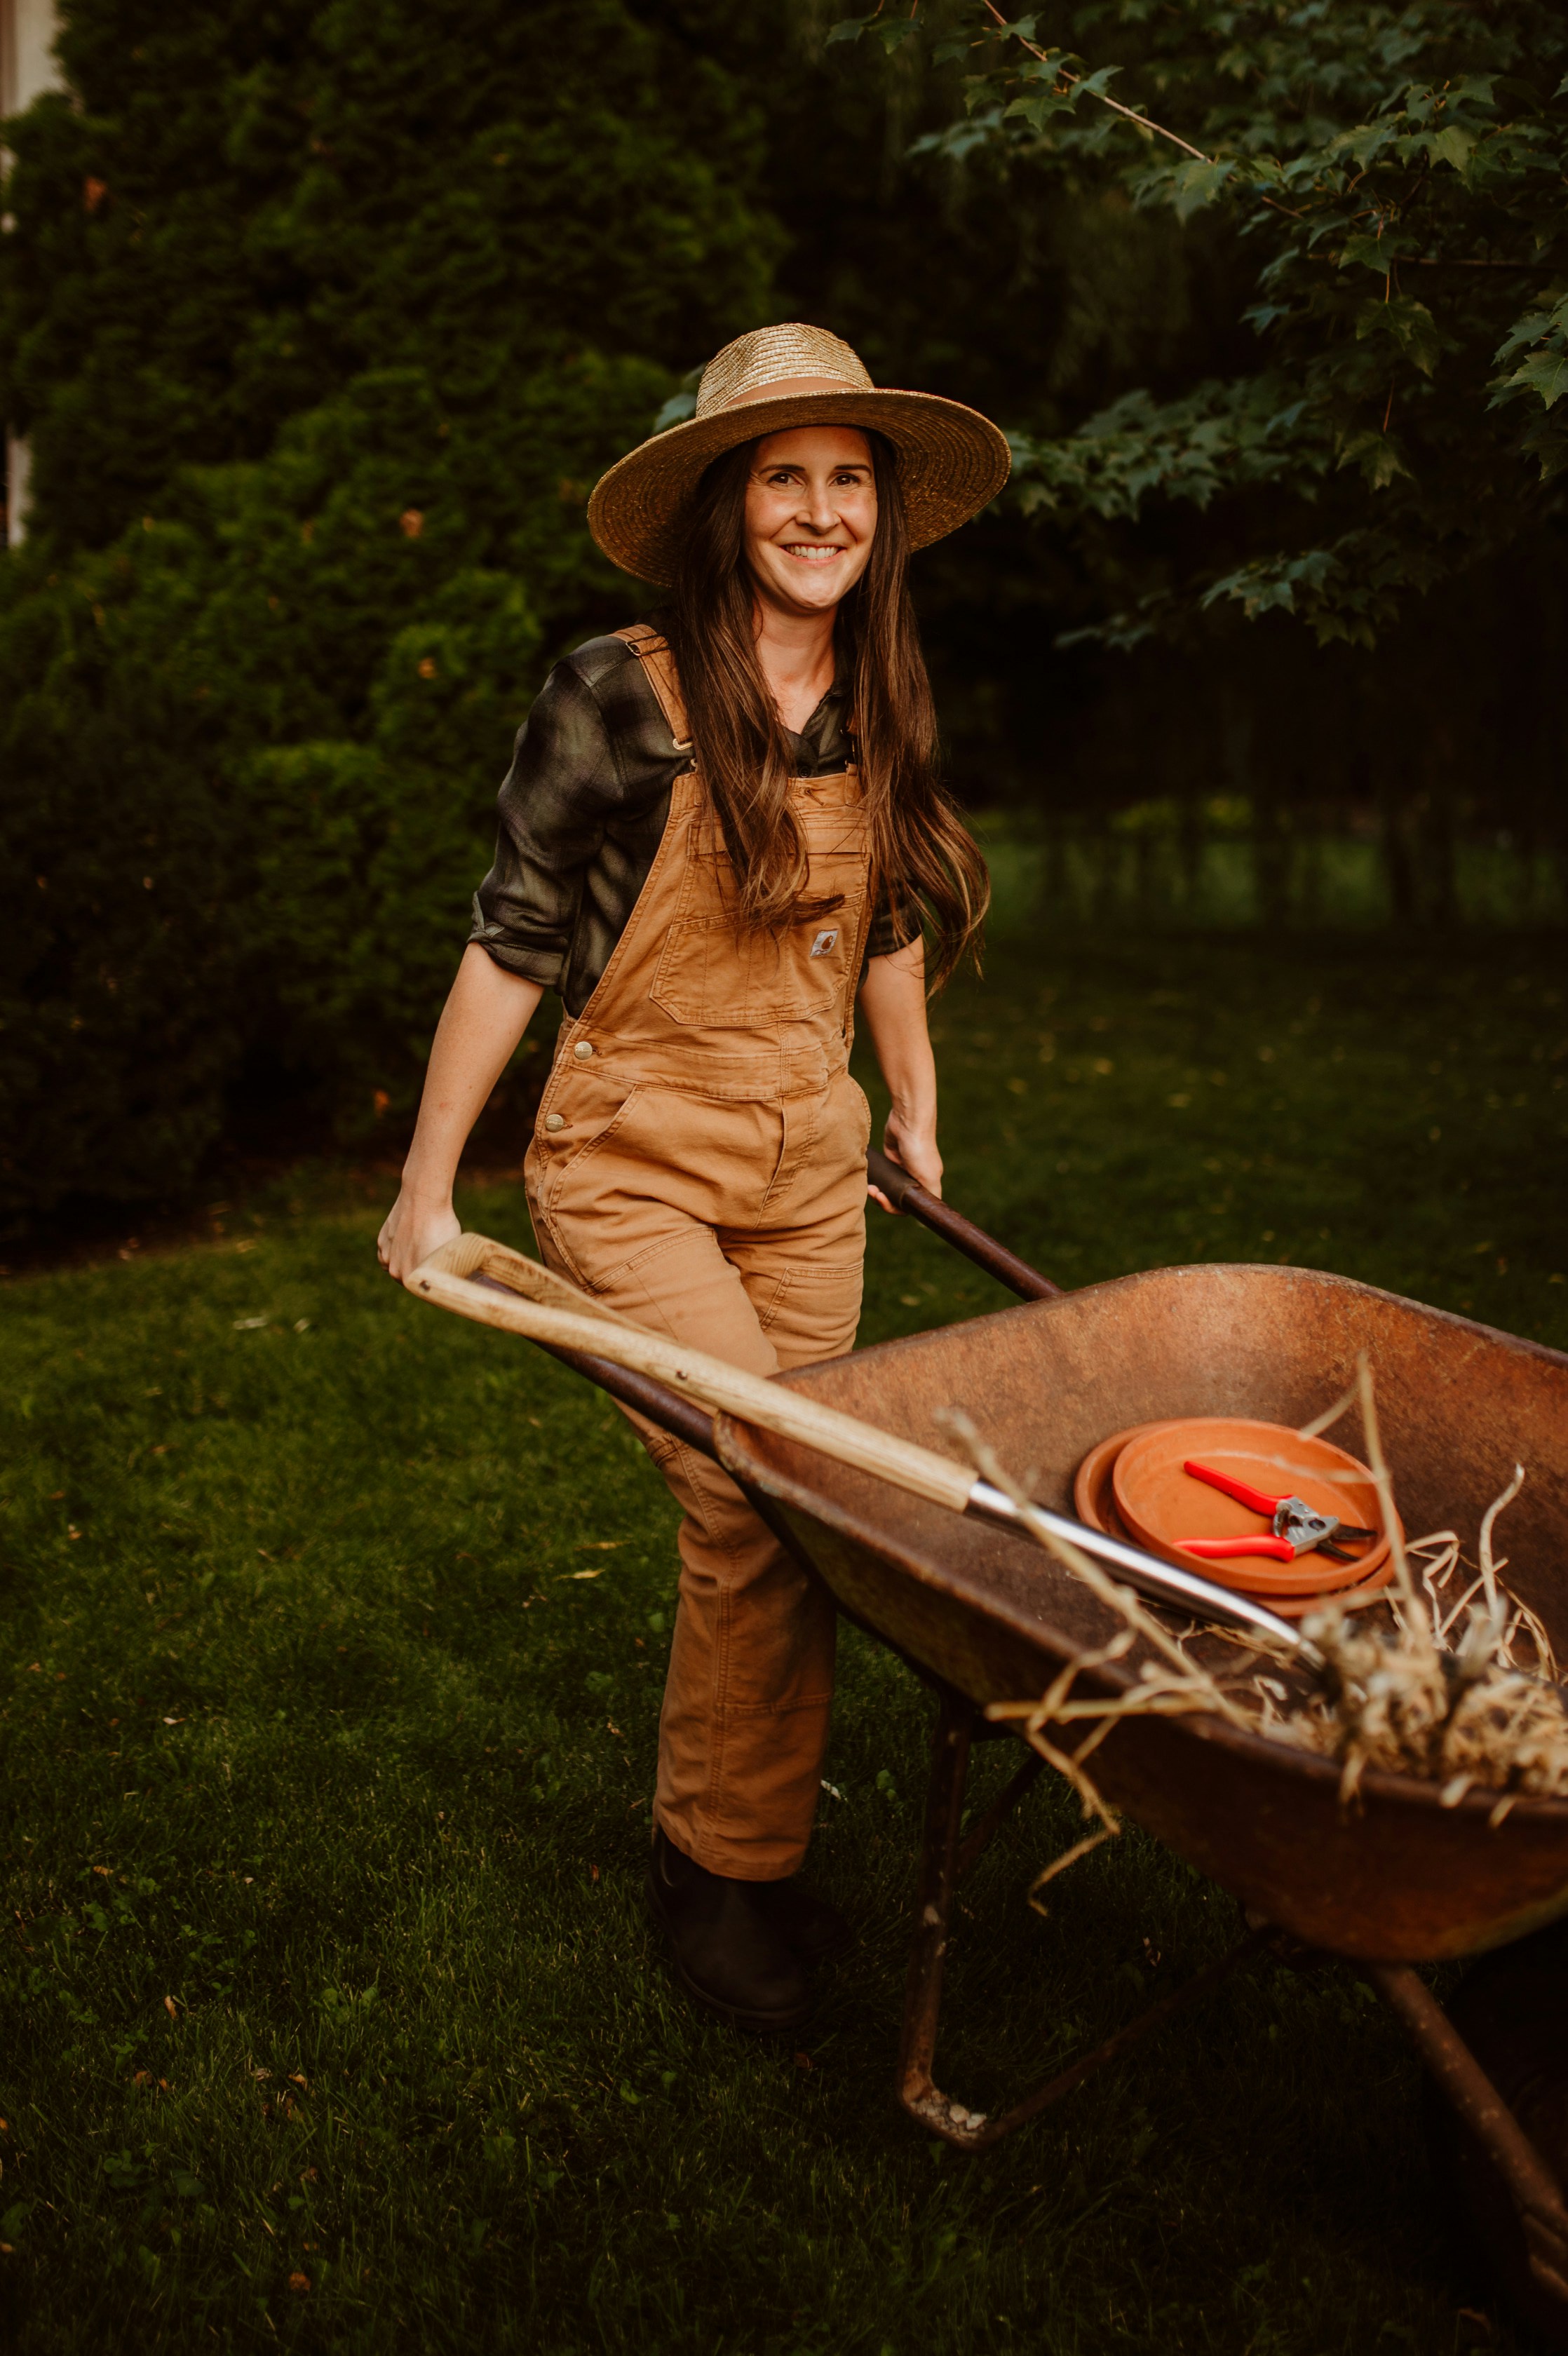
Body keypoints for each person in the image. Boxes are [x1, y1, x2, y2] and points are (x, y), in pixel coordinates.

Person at [378, 323, 1009, 2031]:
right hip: (629, 1151)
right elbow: (511, 942)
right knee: (747, 1486)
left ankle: (734, 1838)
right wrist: (428, 1187)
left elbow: (871, 924)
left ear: (881, 513)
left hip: (806, 1160)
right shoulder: (618, 691)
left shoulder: (877, 693)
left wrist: (912, 1104)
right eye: (783, 478)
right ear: (729, 507)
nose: (817, 510)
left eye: (846, 481)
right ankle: (724, 1875)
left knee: (812, 1520)